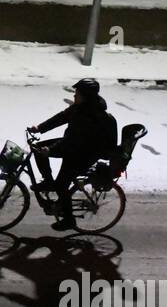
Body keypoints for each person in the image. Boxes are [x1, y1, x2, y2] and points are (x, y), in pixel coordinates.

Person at [30, 78, 117, 231]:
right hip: (74, 146)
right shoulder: (80, 107)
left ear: (86, 96)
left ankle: (69, 220)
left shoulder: (91, 115)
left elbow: (73, 139)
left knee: (61, 185)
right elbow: (61, 117)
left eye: (77, 93)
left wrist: (50, 150)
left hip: (85, 154)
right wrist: (40, 128)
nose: (75, 96)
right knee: (38, 147)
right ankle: (48, 180)